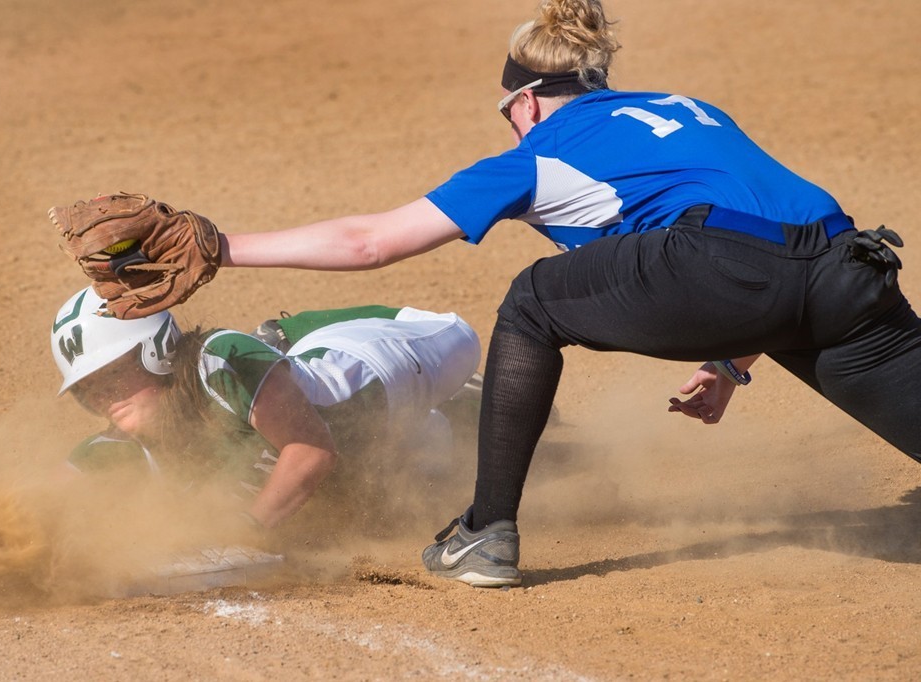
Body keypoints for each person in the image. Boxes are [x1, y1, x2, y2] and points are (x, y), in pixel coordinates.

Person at [194, 0, 916, 586]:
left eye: (506, 113)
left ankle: (484, 533)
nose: (510, 127)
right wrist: (732, 360)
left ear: (529, 103)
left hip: (726, 269)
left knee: (532, 302)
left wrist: (221, 249)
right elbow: (776, 236)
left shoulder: (543, 150)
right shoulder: (686, 108)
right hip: (850, 271)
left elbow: (370, 242)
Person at [50, 286, 482, 530]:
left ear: (154, 352)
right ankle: (451, 419)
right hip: (370, 445)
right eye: (88, 390)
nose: (105, 398)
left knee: (461, 345)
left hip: (382, 367)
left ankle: (479, 397)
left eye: (112, 376)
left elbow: (312, 450)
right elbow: (50, 494)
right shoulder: (132, 440)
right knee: (427, 472)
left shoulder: (218, 362)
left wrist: (248, 529)